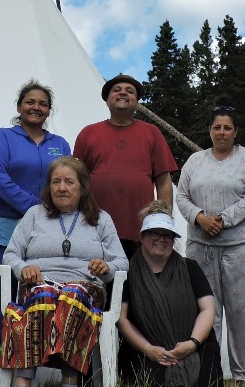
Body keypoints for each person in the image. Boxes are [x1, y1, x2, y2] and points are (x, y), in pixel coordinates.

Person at [0, 156, 128, 387]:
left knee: (73, 295)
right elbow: (10, 254)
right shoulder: (34, 215)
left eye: (69, 182)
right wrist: (23, 268)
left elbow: (121, 261)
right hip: (40, 284)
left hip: (84, 287)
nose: (61, 188)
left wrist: (106, 268)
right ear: (48, 187)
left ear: (82, 187)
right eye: (56, 182)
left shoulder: (100, 219)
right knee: (44, 295)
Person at [174, 97, 245, 380]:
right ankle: (208, 371)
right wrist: (200, 217)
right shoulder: (195, 160)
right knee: (206, 308)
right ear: (210, 130)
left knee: (240, 310)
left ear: (236, 131)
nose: (222, 132)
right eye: (217, 127)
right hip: (201, 244)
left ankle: (239, 374)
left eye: (227, 128)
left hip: (242, 243)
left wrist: (224, 219)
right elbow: (182, 195)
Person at [0, 80, 71, 374]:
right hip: (7, 225)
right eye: (30, 102)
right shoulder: (4, 137)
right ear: (19, 106)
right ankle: (0, 369)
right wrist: (34, 207)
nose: (36, 107)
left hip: (47, 229)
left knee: (43, 293)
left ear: (49, 110)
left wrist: (45, 212)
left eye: (42, 104)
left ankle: (34, 366)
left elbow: (66, 180)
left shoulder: (60, 144)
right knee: (5, 295)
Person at [119, 202, 223, 387]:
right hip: (146, 348)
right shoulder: (128, 273)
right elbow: (122, 320)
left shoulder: (190, 268)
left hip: (193, 344)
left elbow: (208, 309)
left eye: (167, 235)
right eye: (154, 233)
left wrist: (192, 343)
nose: (161, 239)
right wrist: (149, 350)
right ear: (142, 236)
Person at [74, 74, 178, 258]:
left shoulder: (152, 133)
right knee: (97, 276)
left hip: (140, 229)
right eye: (117, 90)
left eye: (130, 91)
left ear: (136, 101)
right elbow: (76, 180)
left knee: (138, 276)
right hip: (94, 227)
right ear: (107, 99)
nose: (123, 93)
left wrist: (163, 220)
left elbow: (163, 180)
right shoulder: (88, 133)